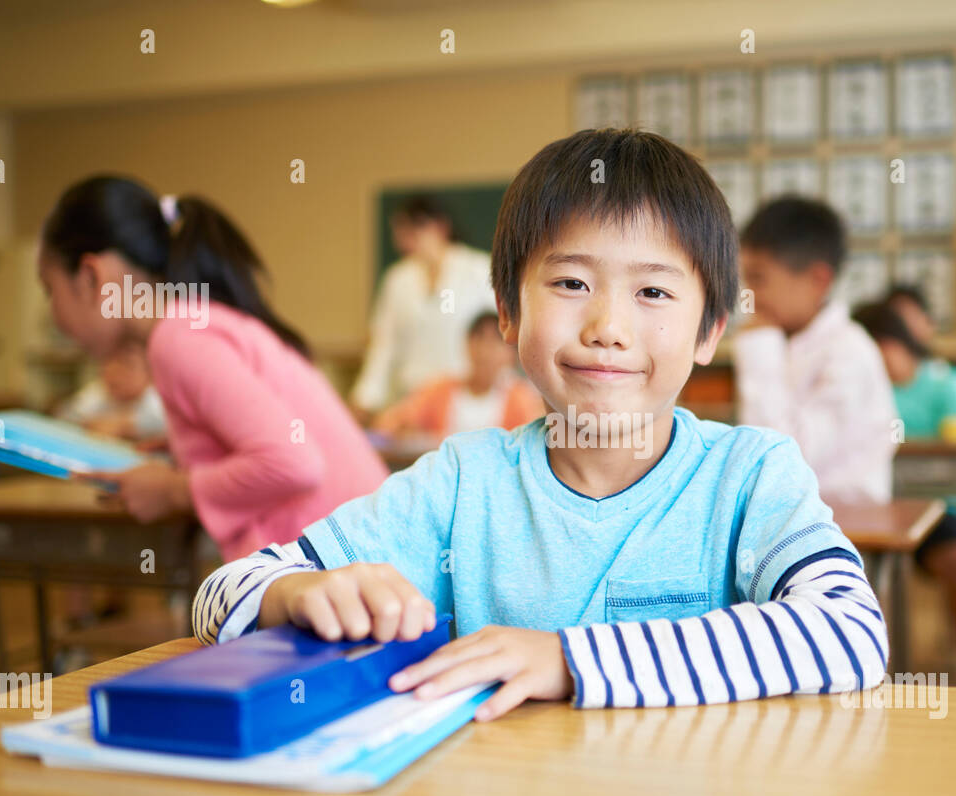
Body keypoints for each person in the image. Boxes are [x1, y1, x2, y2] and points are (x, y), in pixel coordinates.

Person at [193, 129, 889, 721]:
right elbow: (220, 593)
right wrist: (297, 591)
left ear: (709, 328)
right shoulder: (463, 481)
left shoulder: (750, 474)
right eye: (570, 284)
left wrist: (568, 659)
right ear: (507, 312)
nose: (607, 328)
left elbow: (852, 631)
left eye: (652, 291)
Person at [39, 176, 387, 561]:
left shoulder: (180, 337)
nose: (54, 315)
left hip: (350, 578)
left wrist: (173, 489)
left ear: (91, 277)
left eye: (49, 289)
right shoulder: (195, 323)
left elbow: (294, 463)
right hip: (360, 567)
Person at [732, 197, 897, 504]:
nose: (748, 296)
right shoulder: (784, 341)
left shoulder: (849, 351)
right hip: (792, 516)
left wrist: (758, 353)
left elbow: (783, 458)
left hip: (847, 526)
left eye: (758, 279)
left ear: (817, 280)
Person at [852, 299, 956, 651]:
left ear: (893, 344)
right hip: (871, 509)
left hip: (937, 510)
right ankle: (874, 666)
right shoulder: (859, 388)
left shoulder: (948, 382)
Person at [350, 196, 498, 418]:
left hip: (464, 399)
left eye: (412, 230)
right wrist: (365, 398)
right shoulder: (397, 279)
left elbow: (503, 335)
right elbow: (384, 346)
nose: (403, 241)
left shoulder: (478, 270)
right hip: (411, 399)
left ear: (439, 226)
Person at [372, 311, 544, 440]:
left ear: (511, 352)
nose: (485, 350)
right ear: (467, 344)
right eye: (479, 338)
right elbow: (388, 423)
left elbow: (536, 440)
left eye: (495, 341)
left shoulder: (522, 397)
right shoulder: (439, 389)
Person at [57, 339, 166, 443]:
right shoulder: (99, 393)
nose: (115, 372)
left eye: (127, 364)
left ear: (150, 373)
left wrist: (124, 427)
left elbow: (161, 423)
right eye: (109, 362)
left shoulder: (157, 399)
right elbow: (67, 418)